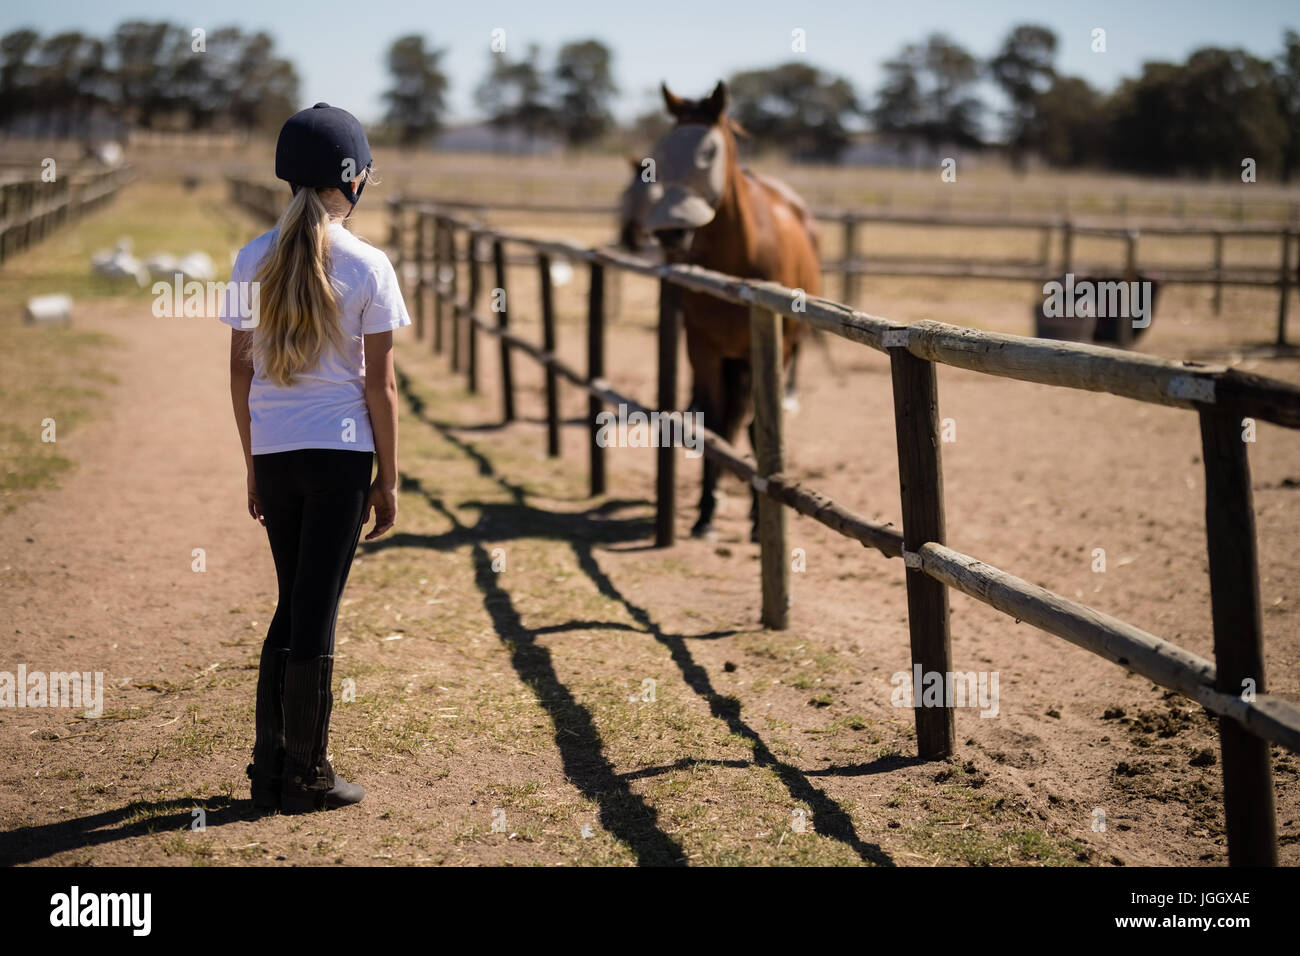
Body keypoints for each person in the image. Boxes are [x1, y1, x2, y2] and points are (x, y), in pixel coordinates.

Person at [221, 103, 410, 812]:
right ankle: (304, 770)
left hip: (274, 451)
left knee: (293, 602)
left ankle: (269, 763)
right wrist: (388, 479)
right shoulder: (369, 265)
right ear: (353, 181)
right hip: (338, 457)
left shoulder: (250, 256)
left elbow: (240, 371)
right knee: (315, 607)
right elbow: (380, 385)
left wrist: (251, 462)